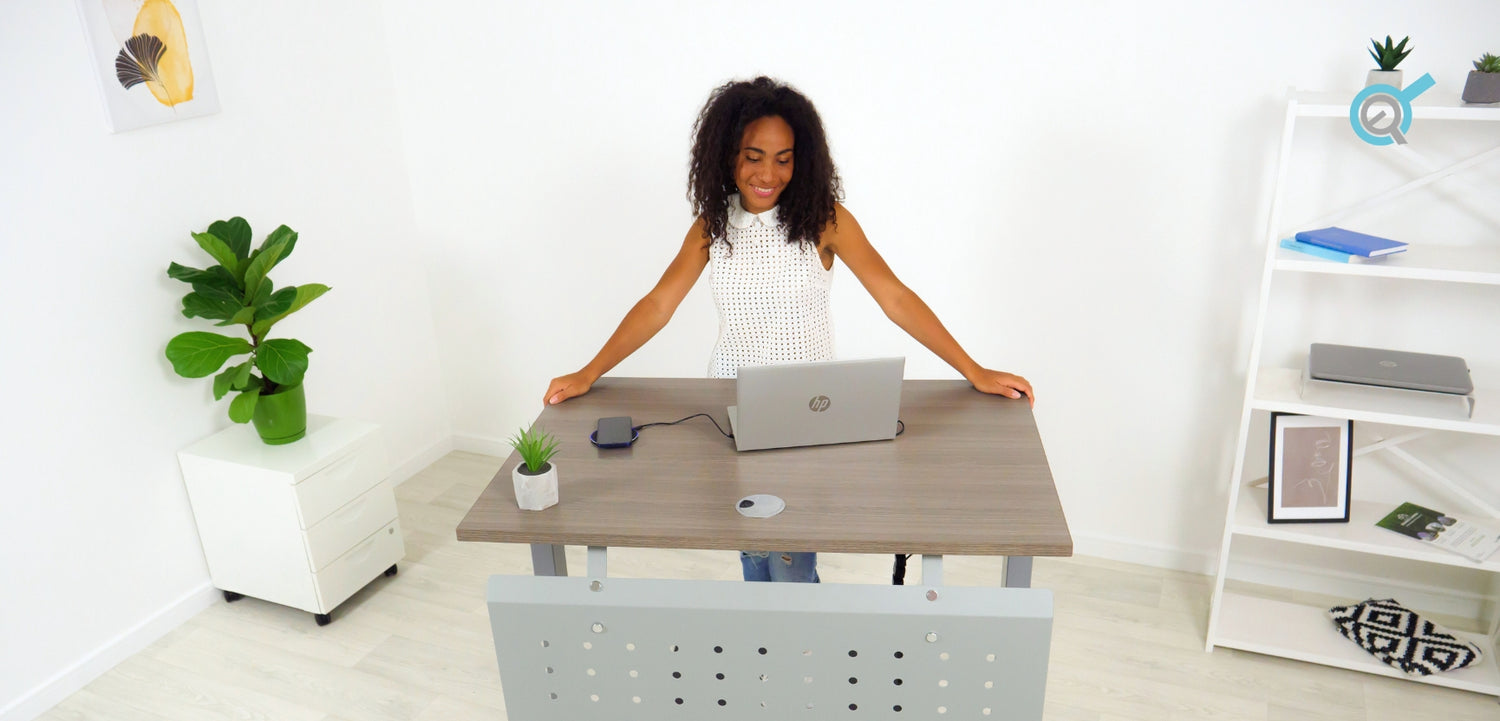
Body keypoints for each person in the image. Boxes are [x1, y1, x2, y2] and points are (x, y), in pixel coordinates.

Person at [543, 76, 1033, 583]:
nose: (768, 173)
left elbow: (896, 298)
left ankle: (793, 649)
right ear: (727, 154)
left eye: (784, 157)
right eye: (753, 155)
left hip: (808, 413)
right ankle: (771, 653)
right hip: (735, 409)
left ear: (803, 159)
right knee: (754, 550)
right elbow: (657, 306)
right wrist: (588, 372)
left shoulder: (825, 220)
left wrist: (974, 371)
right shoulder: (712, 225)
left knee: (790, 558)